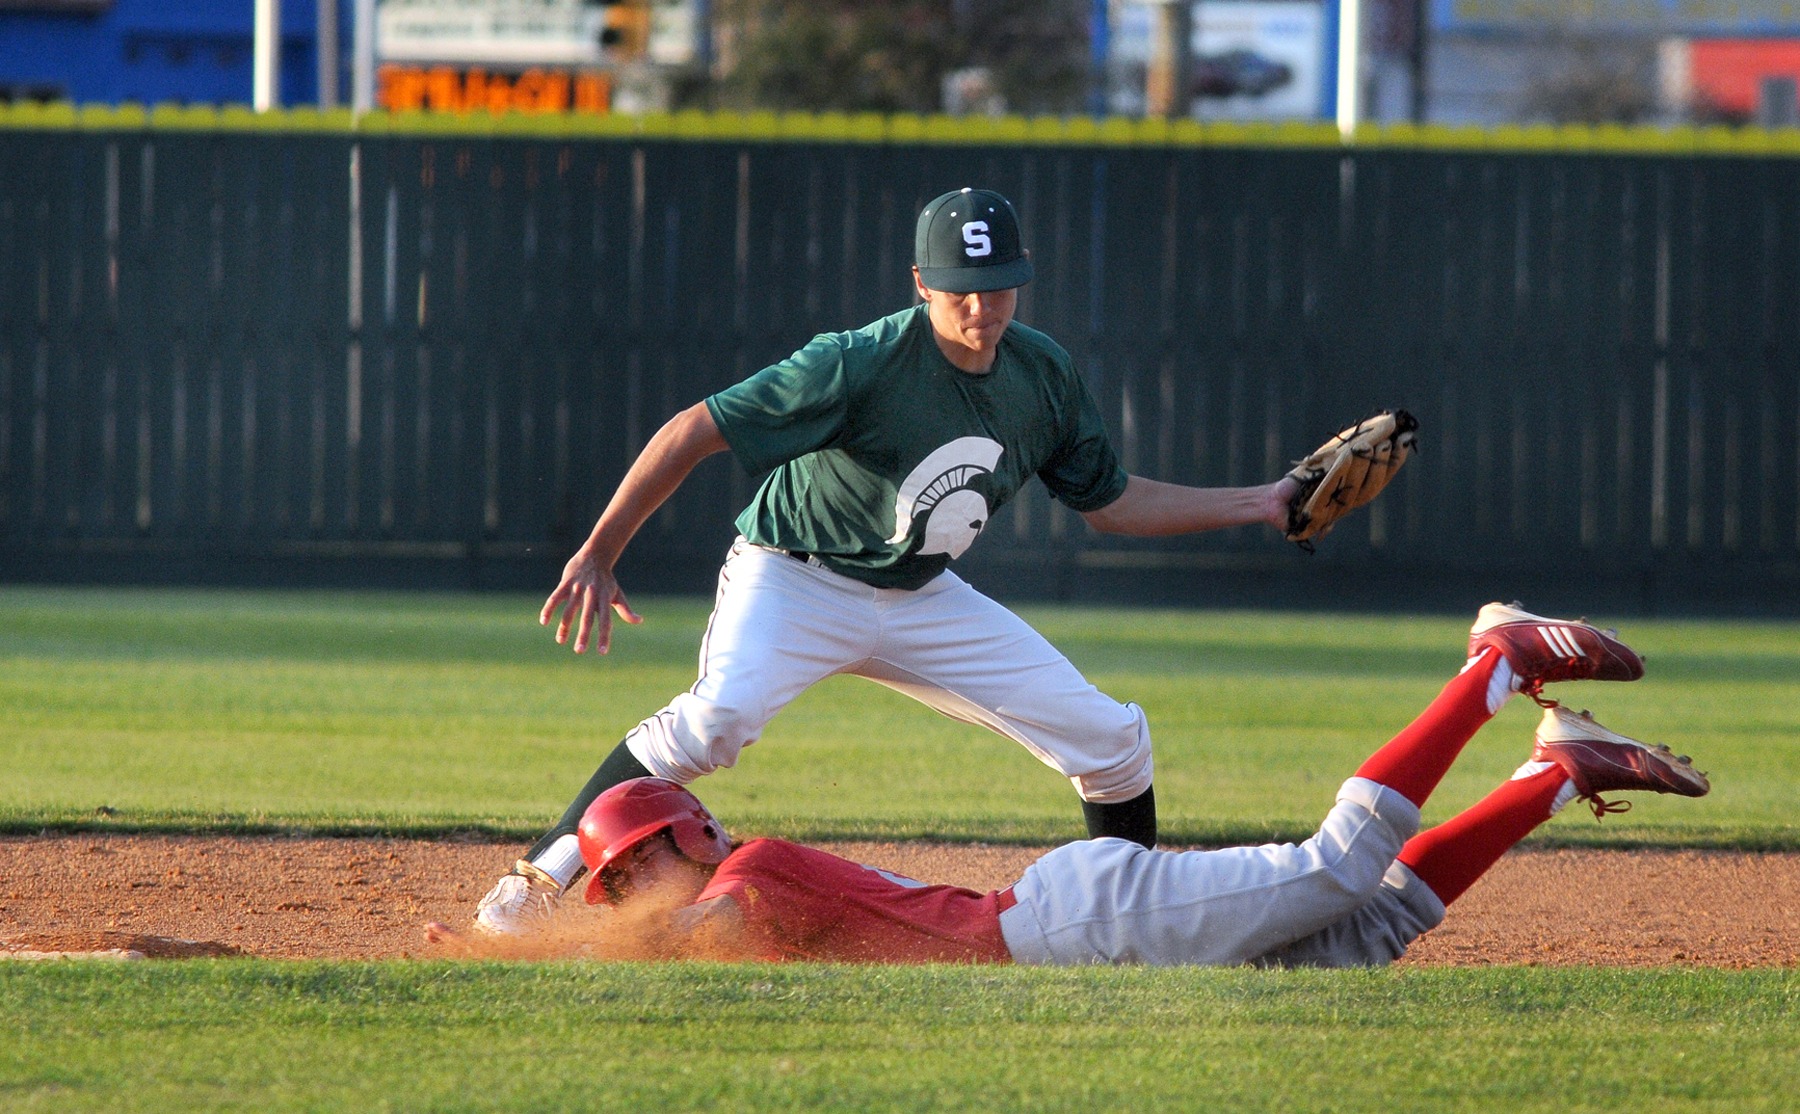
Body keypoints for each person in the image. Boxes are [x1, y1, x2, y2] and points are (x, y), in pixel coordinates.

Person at [468, 187, 1323, 935]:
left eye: (997, 286)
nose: (980, 307)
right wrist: (600, 550)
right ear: (921, 283)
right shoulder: (859, 362)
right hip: (794, 575)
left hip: (918, 594)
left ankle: (1133, 913)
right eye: (959, 289)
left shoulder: (1043, 376)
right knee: (717, 719)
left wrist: (1262, 501)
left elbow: (1112, 503)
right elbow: (695, 429)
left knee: (1111, 740)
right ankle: (535, 881)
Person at [548, 603, 1708, 966]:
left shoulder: (749, 875)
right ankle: (1555, 773)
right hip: (1063, 938)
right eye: (618, 884)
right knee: (1366, 932)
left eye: (635, 864)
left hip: (1072, 923)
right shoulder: (728, 904)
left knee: (1336, 866)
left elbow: (694, 934)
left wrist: (529, 941)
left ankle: (1495, 662)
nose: (633, 888)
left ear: (693, 830)